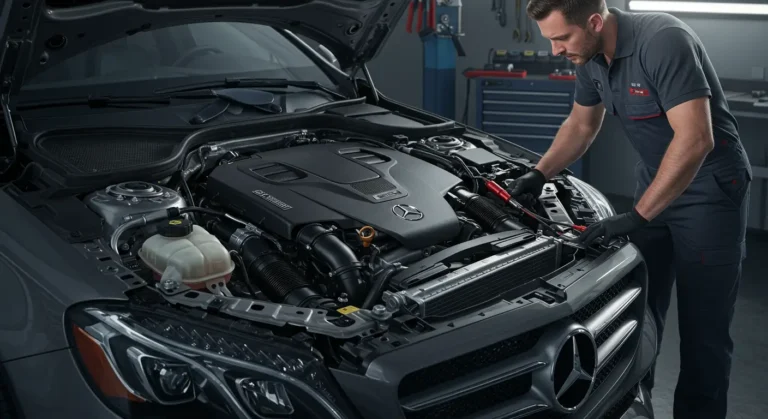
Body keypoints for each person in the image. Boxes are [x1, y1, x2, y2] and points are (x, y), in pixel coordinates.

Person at [507, 2, 752, 418]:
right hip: (657, 182)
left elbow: (695, 140)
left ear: (595, 22)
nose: (555, 51)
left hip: (709, 191)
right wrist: (539, 172)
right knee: (637, 318)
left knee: (703, 334)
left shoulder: (662, 42)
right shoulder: (588, 53)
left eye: (561, 38)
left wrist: (637, 217)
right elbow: (582, 125)